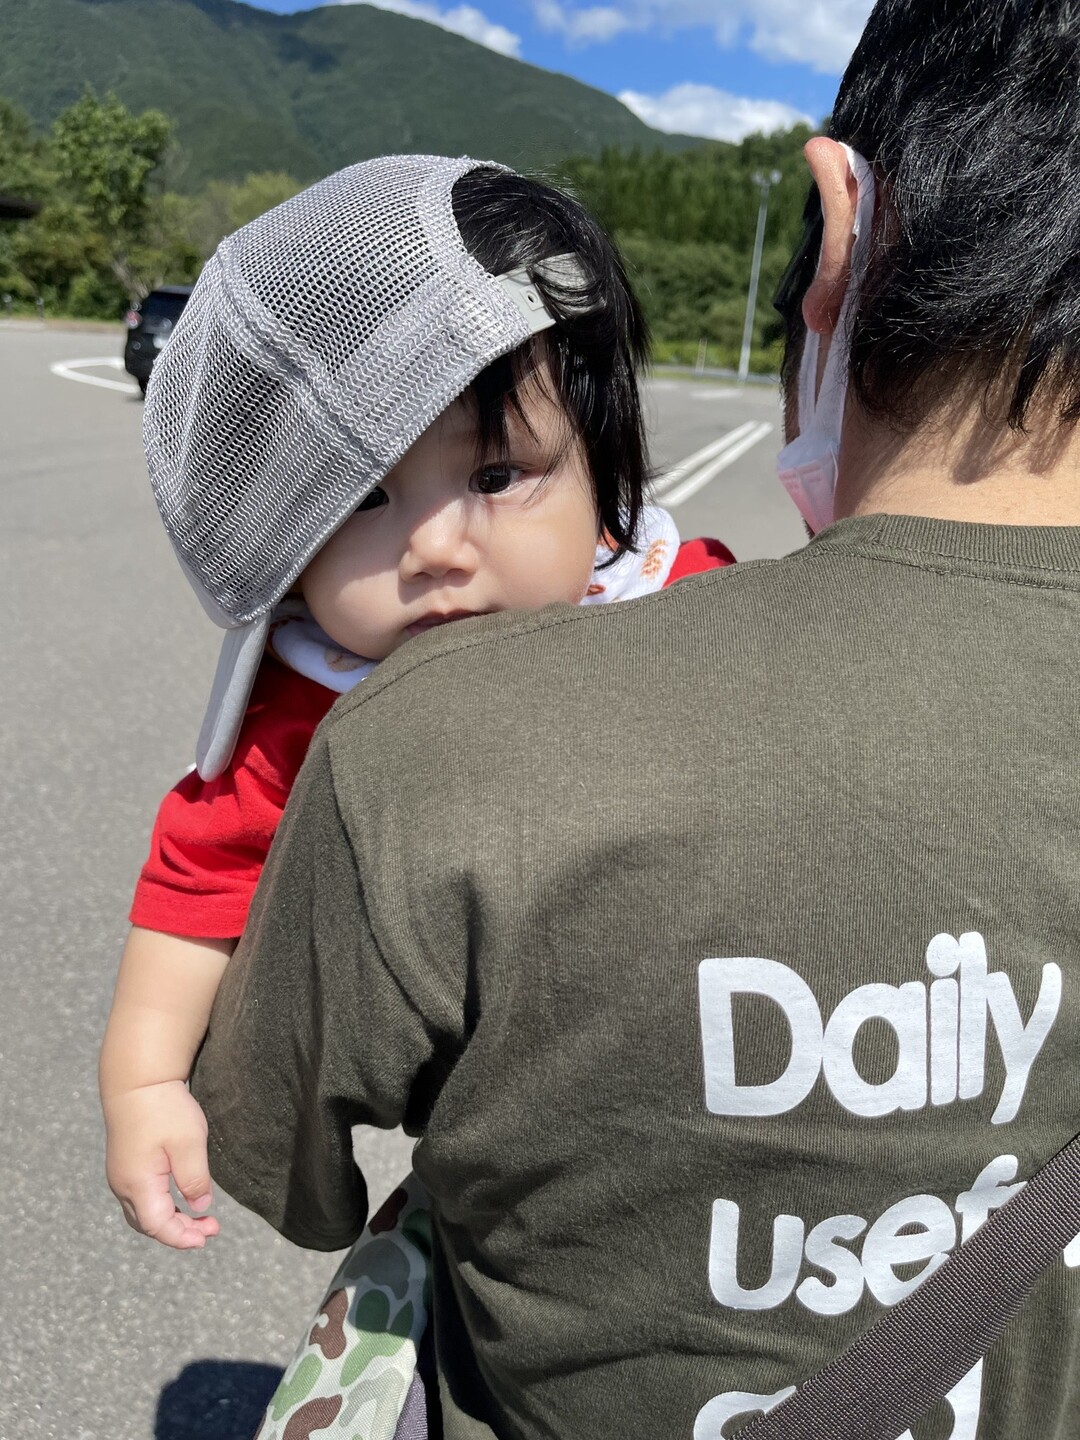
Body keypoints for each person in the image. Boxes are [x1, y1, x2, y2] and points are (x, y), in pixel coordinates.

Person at [189, 2, 1080, 1436]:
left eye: (499, 474)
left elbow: (291, 1171)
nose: (437, 545)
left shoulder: (437, 745)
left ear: (840, 231)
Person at [97, 156, 731, 1434]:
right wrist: (146, 1080)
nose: (438, 546)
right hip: (504, 1131)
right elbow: (202, 878)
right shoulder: (308, 704)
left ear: (602, 469)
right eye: (365, 498)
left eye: (498, 476)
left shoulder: (680, 601)